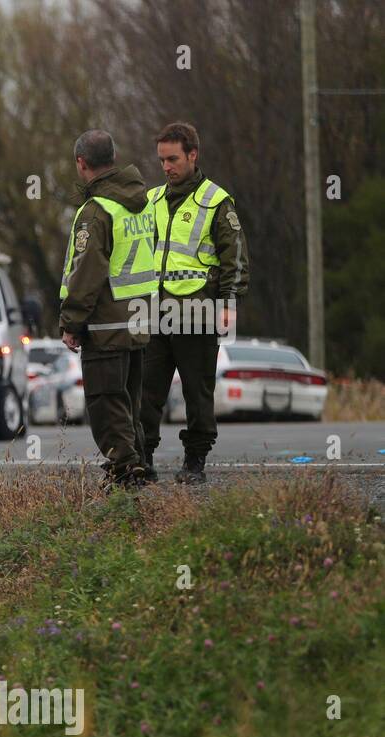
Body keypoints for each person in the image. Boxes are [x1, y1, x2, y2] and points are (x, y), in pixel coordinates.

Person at [138, 121, 249, 484]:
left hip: (198, 314)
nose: (166, 167)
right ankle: (142, 458)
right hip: (155, 312)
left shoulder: (216, 201)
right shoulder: (151, 201)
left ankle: (194, 461)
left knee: (197, 392)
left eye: (173, 159)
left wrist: (229, 303)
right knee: (147, 390)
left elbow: (234, 258)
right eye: (161, 160)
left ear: (192, 155)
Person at [58, 129, 158, 488]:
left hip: (105, 323)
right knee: (128, 399)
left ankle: (126, 470)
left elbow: (87, 271)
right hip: (138, 319)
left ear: (81, 163)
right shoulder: (142, 204)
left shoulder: (96, 212)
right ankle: (141, 462)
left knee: (105, 400)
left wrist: (71, 321)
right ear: (112, 159)